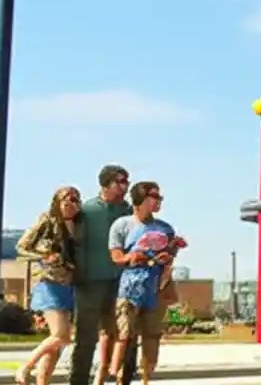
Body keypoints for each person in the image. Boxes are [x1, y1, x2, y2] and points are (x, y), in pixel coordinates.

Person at [107, 182, 182, 385]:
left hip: (156, 287)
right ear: (140, 200)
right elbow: (115, 256)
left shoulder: (165, 228)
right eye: (154, 197)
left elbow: (170, 257)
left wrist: (169, 255)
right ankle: (116, 375)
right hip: (130, 287)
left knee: (152, 336)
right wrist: (131, 257)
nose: (158, 201)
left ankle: (146, 379)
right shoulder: (122, 225)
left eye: (160, 198)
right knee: (124, 334)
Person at [69, 165, 138, 385]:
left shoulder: (130, 213)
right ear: (104, 184)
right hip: (90, 282)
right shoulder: (86, 211)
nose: (124, 187)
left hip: (123, 282)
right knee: (86, 337)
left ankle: (123, 378)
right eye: (119, 182)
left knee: (127, 334)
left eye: (126, 182)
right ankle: (78, 381)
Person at [15, 186, 82, 385]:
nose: (71, 205)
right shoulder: (47, 220)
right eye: (66, 201)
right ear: (57, 203)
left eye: (75, 201)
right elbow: (21, 247)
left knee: (56, 343)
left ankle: (42, 381)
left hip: (70, 284)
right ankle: (26, 366)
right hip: (50, 282)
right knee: (63, 335)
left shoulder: (79, 225)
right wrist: (44, 256)